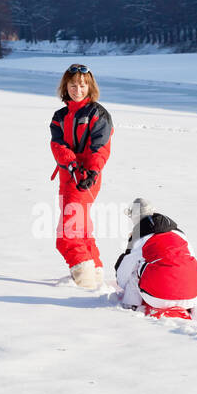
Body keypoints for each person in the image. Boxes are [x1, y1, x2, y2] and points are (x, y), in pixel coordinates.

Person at [49, 64, 113, 288]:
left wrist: (91, 171)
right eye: (73, 85)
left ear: (90, 86)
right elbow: (58, 145)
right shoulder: (60, 116)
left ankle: (84, 280)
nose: (78, 89)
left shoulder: (97, 114)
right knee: (81, 228)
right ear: (65, 87)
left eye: (83, 85)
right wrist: (72, 165)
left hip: (86, 179)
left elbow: (100, 148)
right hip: (68, 177)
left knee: (67, 233)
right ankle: (95, 276)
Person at [114, 198, 197, 319]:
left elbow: (124, 269)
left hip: (158, 297)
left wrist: (122, 285)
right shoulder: (179, 233)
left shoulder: (139, 237)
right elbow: (191, 258)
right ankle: (185, 307)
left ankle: (130, 307)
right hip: (192, 296)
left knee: (135, 269)